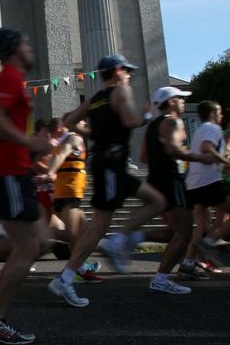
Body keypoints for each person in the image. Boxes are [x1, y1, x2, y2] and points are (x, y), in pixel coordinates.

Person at [47, 54, 166, 308]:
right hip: (112, 164)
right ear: (118, 70)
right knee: (150, 203)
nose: (130, 75)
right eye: (128, 71)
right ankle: (117, 241)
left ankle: (67, 277)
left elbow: (68, 121)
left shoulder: (93, 100)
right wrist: (148, 115)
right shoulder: (120, 92)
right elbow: (131, 121)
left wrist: (95, 133)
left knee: (104, 223)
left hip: (106, 163)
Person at [0, 28, 52, 345]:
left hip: (14, 172)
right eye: (28, 43)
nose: (32, 48)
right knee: (30, 246)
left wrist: (31, 157)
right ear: (16, 48)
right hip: (5, 173)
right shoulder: (9, 78)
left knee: (41, 241)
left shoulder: (14, 80)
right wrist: (28, 141)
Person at [140, 86, 220, 295]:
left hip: (156, 180)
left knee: (174, 232)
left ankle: (131, 238)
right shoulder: (171, 121)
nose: (183, 102)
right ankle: (160, 279)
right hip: (170, 181)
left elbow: (143, 157)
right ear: (171, 101)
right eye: (180, 98)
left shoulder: (152, 126)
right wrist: (200, 157)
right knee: (184, 233)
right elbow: (173, 149)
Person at [43, 117, 102, 282]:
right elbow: (60, 156)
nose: (85, 123)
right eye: (82, 121)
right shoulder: (73, 138)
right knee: (73, 234)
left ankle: (80, 267)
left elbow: (57, 157)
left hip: (66, 191)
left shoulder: (59, 142)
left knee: (83, 231)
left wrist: (50, 173)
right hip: (69, 191)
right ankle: (73, 272)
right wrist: (50, 172)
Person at [180, 100, 230, 278]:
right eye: (219, 112)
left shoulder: (201, 129)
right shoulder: (212, 128)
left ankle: (187, 263)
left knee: (201, 226)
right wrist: (225, 162)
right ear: (211, 114)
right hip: (209, 182)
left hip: (193, 183)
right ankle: (209, 242)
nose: (221, 115)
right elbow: (206, 148)